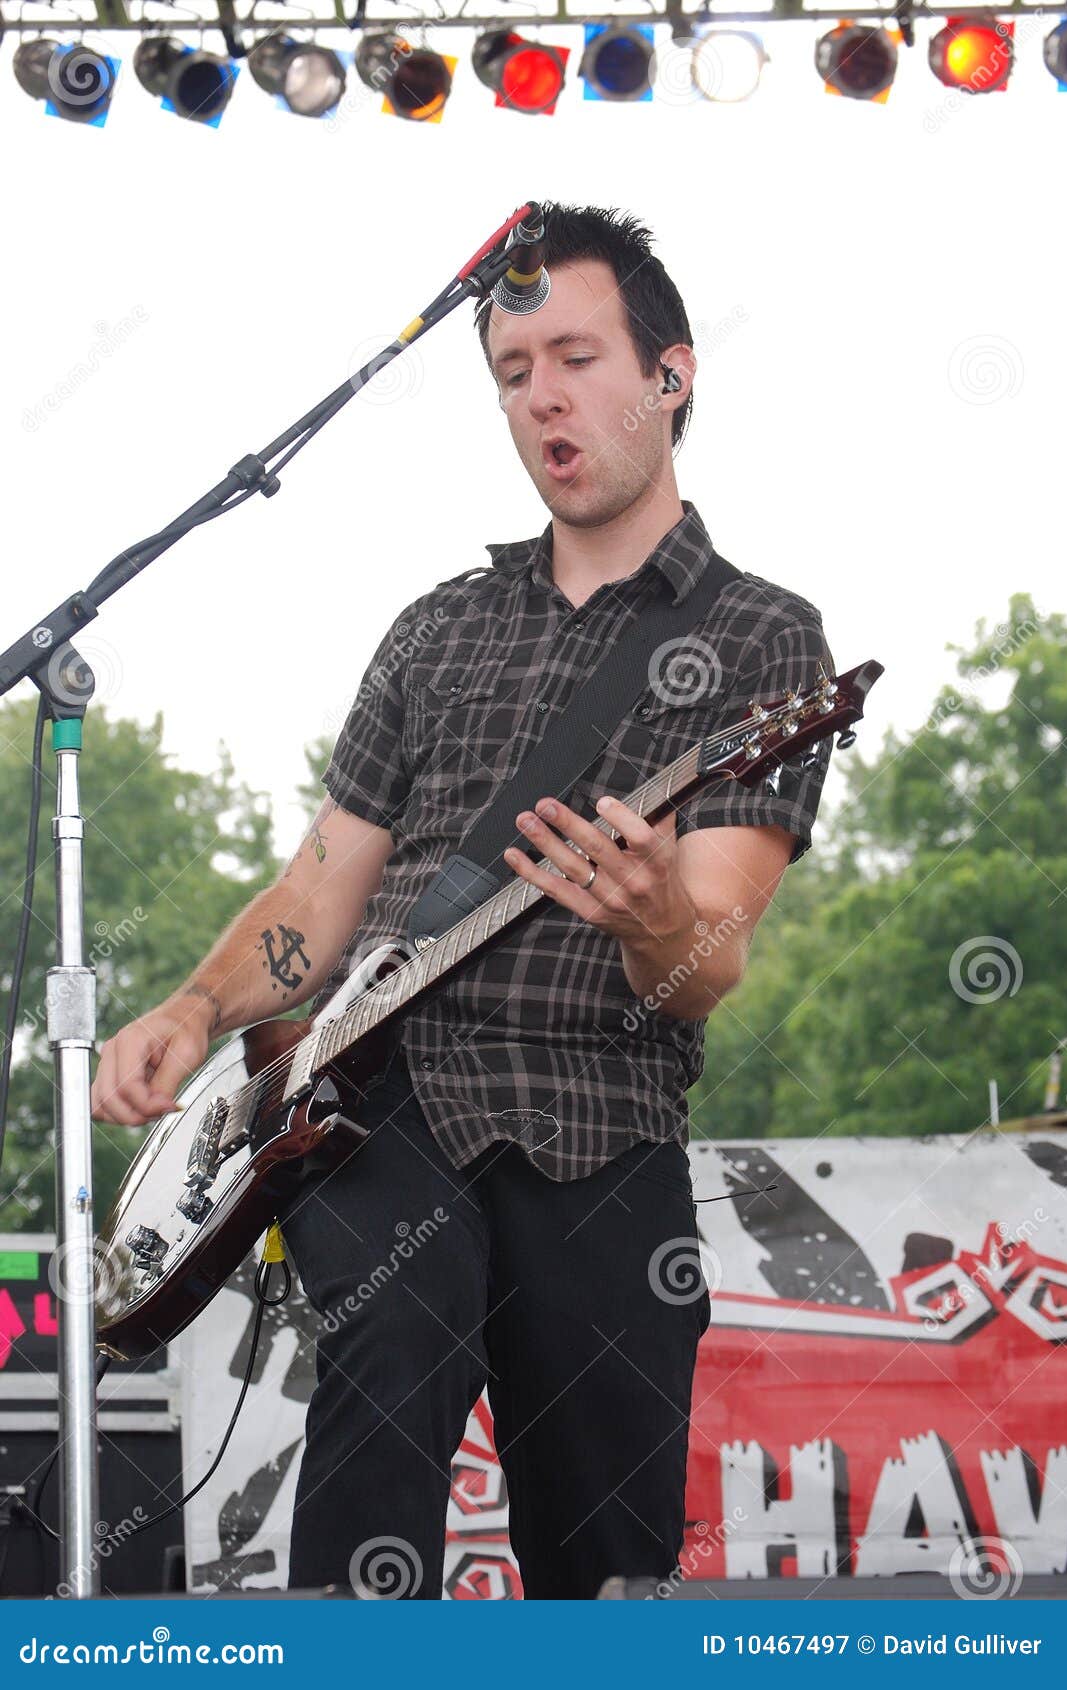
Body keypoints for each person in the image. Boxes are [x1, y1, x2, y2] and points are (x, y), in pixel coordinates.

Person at [91, 202, 835, 1600]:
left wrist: (649, 917)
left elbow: (708, 957)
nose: (541, 395)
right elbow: (323, 890)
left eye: (574, 355)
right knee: (397, 1334)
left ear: (672, 375)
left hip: (603, 1123)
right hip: (379, 1096)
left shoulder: (762, 638)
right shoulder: (436, 627)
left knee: (601, 1565)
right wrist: (198, 1006)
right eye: (510, 369)